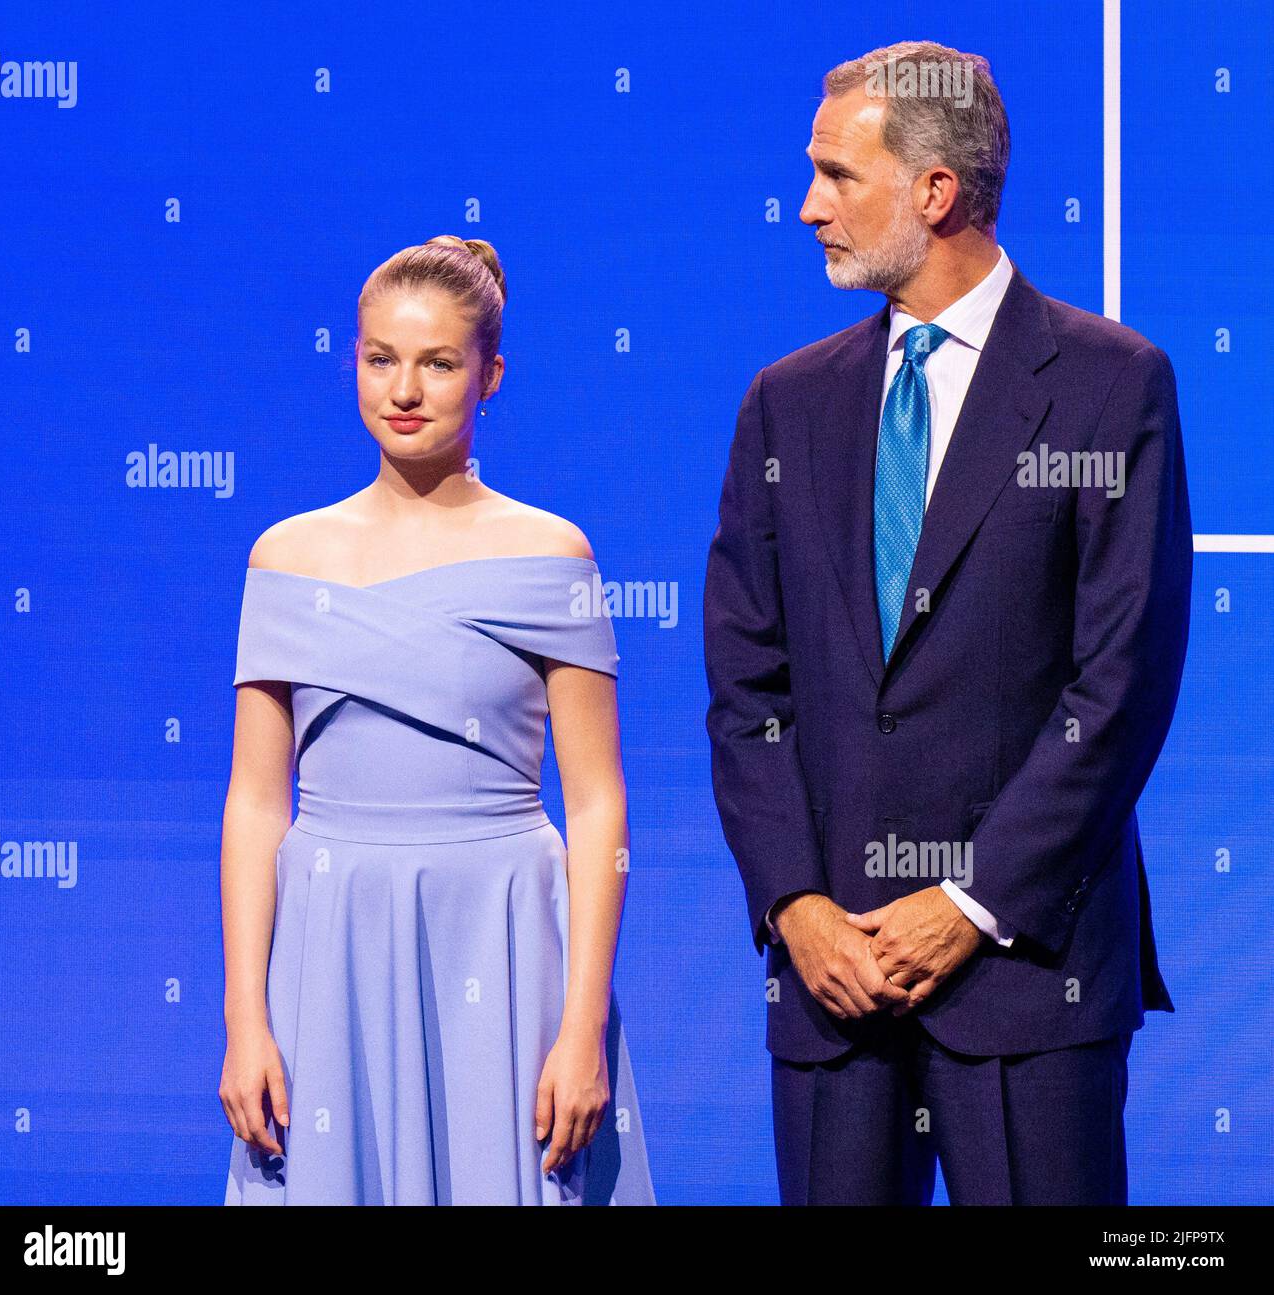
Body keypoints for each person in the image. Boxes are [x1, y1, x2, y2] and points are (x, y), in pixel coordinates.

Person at [703, 41, 1192, 1205]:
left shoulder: (1111, 383)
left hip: (1028, 977)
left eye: (835, 175)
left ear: (936, 192)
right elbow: (746, 687)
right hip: (831, 986)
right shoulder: (787, 402)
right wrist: (794, 904)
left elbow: (1117, 685)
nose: (806, 207)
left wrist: (969, 901)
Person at [218, 235, 654, 1205]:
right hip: (332, 945)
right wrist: (245, 1017)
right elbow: (254, 803)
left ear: (489, 375)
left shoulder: (552, 554)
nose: (404, 389)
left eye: (438, 362)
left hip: (501, 946)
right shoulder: (284, 558)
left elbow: (596, 806)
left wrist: (579, 1026)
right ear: (354, 363)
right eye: (381, 360)